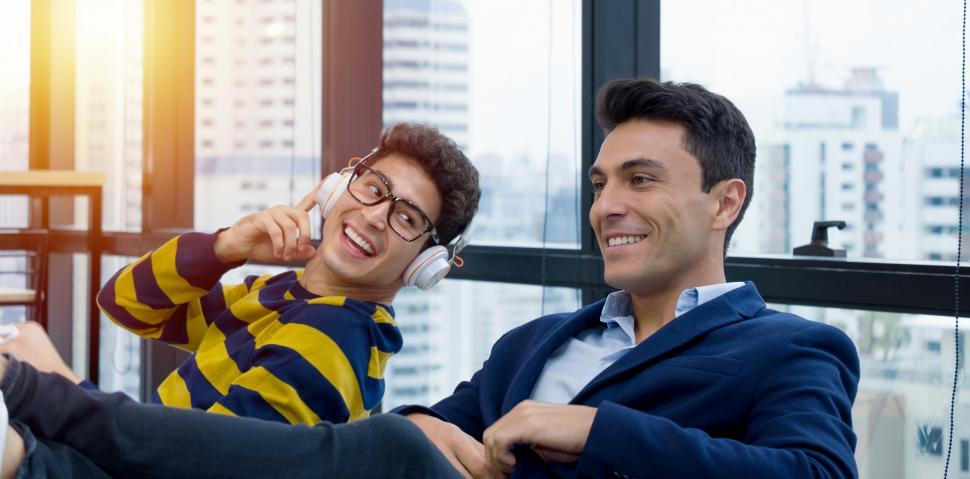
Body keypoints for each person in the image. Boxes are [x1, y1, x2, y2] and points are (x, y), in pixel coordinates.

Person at [0, 79, 859, 479]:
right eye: (599, 184)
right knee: (393, 439)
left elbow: (814, 474)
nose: (608, 207)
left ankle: (36, 406)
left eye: (640, 180)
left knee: (380, 447)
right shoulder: (535, 345)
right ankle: (33, 441)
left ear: (724, 202)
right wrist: (229, 244)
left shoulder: (791, 346)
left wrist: (593, 427)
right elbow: (435, 425)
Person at [97, 122, 478, 426]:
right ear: (336, 188)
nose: (375, 216)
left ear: (422, 264)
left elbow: (196, 461)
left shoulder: (333, 335)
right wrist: (225, 247)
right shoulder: (284, 294)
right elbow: (126, 304)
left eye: (407, 218)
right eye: (375, 189)